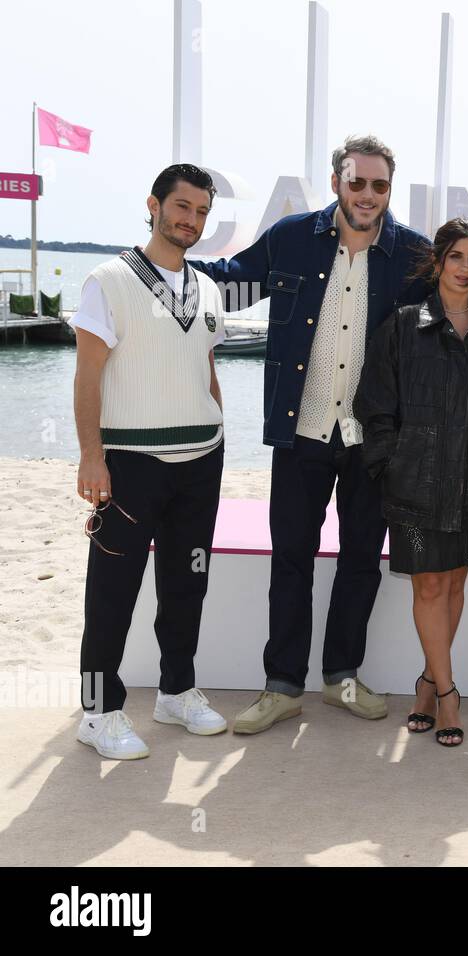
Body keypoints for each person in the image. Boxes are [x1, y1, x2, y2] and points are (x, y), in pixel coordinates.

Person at [191, 135, 432, 734]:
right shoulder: (292, 237)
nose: (369, 195)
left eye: (380, 185)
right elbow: (228, 283)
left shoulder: (414, 255)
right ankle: (282, 686)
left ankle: (342, 675)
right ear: (336, 182)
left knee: (360, 562)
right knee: (290, 559)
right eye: (358, 182)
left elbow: (453, 320)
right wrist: (155, 263)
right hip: (301, 432)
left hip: (373, 440)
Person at [356, 218, 468, 746]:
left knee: (455, 582)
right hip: (414, 484)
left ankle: (426, 683)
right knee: (430, 583)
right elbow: (374, 406)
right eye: (455, 256)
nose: (464, 267)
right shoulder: (403, 326)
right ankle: (449, 692)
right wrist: (392, 462)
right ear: (437, 262)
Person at [70, 164, 229, 759]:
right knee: (110, 591)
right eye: (182, 207)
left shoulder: (208, 288)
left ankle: (176, 691)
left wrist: (218, 434)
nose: (191, 220)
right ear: (154, 205)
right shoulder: (108, 280)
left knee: (187, 584)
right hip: (130, 463)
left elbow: (205, 371)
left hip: (200, 463)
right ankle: (98, 709)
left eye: (201, 212)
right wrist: (92, 456)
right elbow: (88, 376)